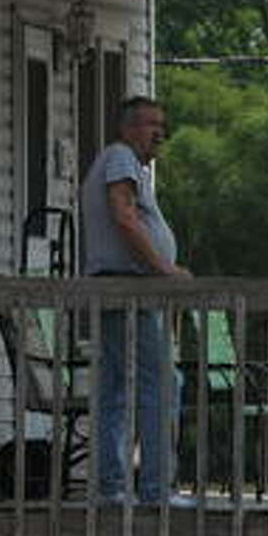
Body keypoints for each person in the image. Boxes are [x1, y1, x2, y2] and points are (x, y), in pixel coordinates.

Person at [80, 97, 190, 504]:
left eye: (162, 125)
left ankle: (111, 487)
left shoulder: (121, 162)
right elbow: (123, 217)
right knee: (162, 384)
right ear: (127, 128)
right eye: (149, 124)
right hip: (127, 289)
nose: (159, 132)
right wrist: (164, 268)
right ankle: (157, 489)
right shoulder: (120, 158)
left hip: (121, 291)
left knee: (117, 389)